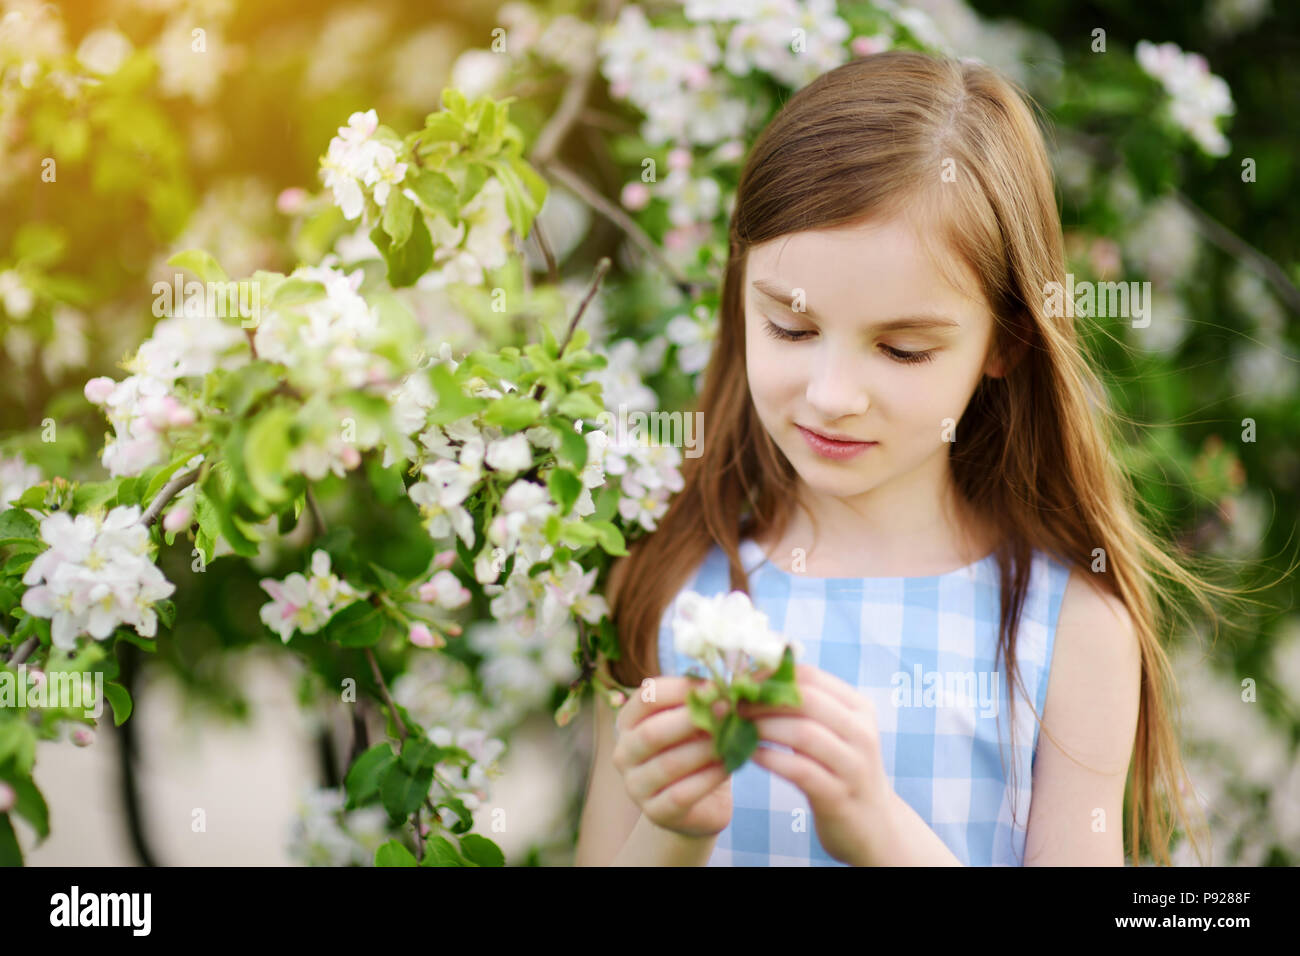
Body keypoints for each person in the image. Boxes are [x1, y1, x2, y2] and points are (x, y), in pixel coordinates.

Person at [575, 50, 1222, 866]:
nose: (833, 393)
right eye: (792, 329)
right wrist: (675, 828)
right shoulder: (667, 578)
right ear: (739, 291)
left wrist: (880, 833)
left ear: (1004, 340)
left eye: (904, 348)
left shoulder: (1068, 628)